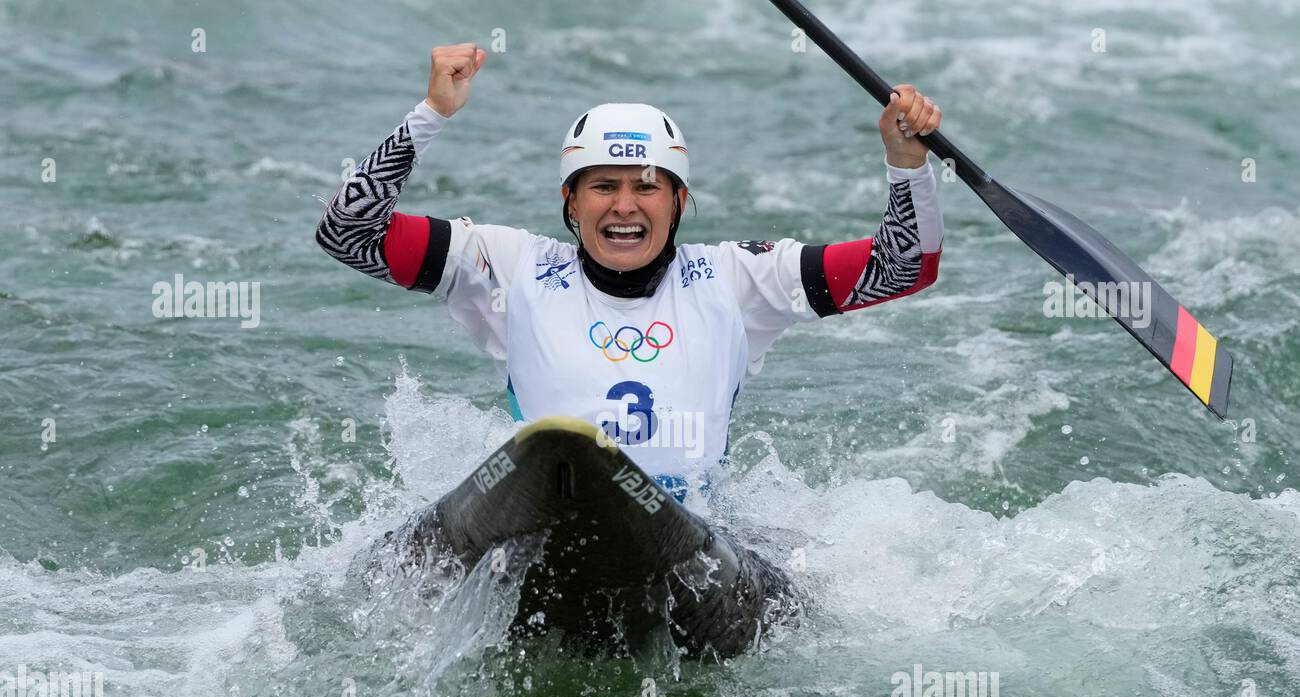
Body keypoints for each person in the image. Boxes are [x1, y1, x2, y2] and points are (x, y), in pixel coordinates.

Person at [316, 43, 944, 501]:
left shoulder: (738, 277)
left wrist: (905, 162)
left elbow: (904, 268)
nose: (624, 205)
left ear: (679, 201)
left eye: (647, 186)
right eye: (601, 187)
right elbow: (347, 232)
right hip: (552, 511)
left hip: (690, 534)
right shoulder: (509, 266)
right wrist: (431, 112)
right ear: (570, 203)